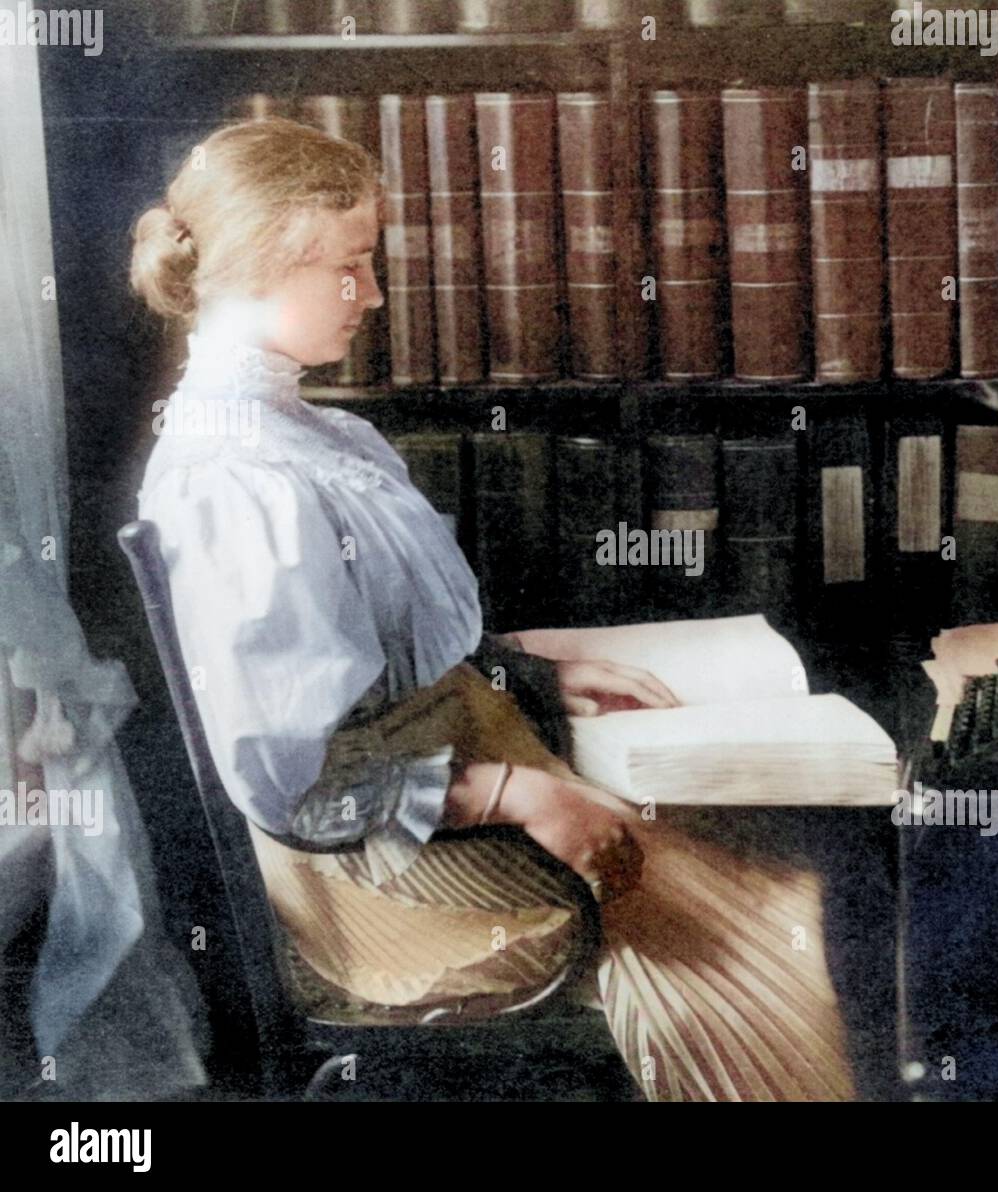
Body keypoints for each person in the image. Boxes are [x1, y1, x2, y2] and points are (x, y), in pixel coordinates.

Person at [130, 116, 856, 1101]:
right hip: (382, 869)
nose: (374, 294)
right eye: (350, 266)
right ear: (266, 264)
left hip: (451, 774)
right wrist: (515, 796)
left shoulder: (317, 436)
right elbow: (292, 785)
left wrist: (534, 671)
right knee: (775, 920)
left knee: (777, 867)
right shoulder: (231, 479)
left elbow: (382, 651)